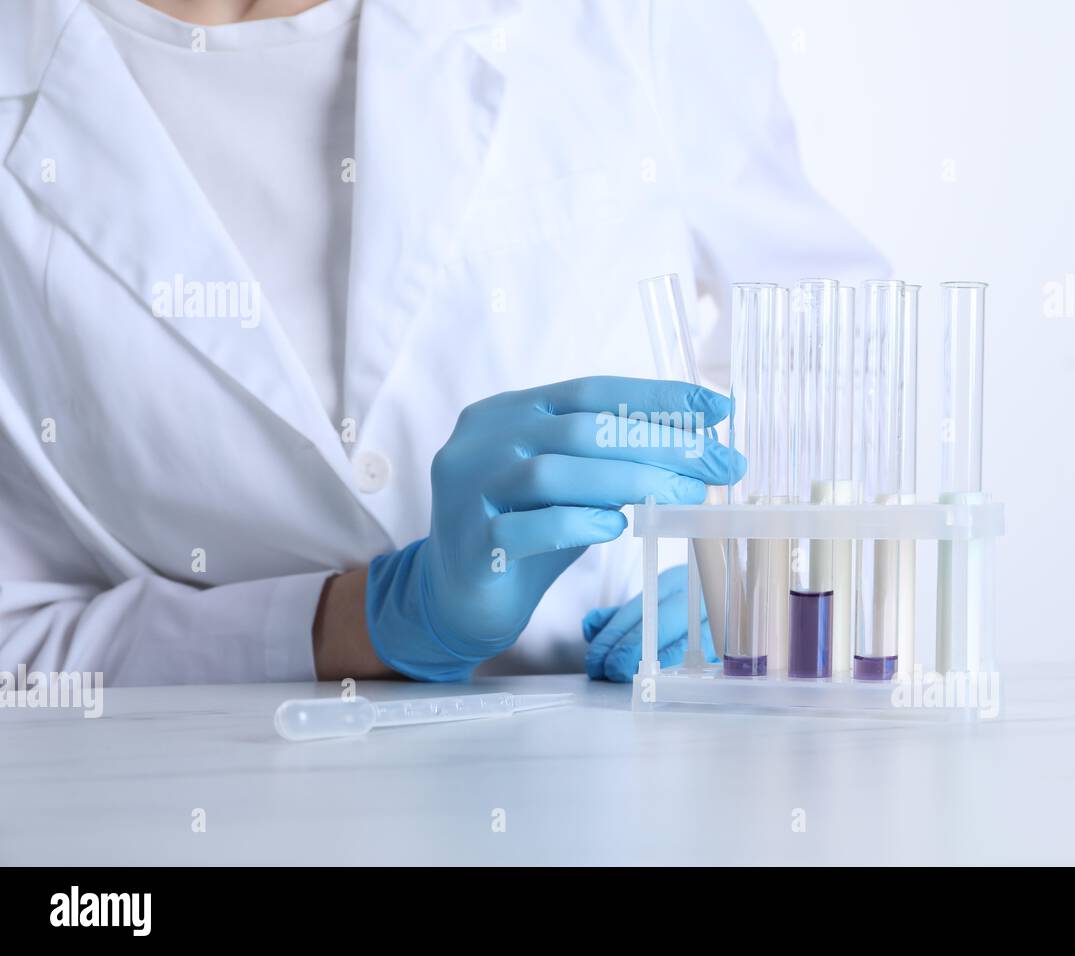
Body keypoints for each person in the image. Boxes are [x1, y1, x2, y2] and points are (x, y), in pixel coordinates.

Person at [0, 0, 885, 686]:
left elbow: (852, 348)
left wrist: (768, 564)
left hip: (639, 767)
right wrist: (367, 620)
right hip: (209, 809)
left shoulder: (625, 18)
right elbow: (18, 647)